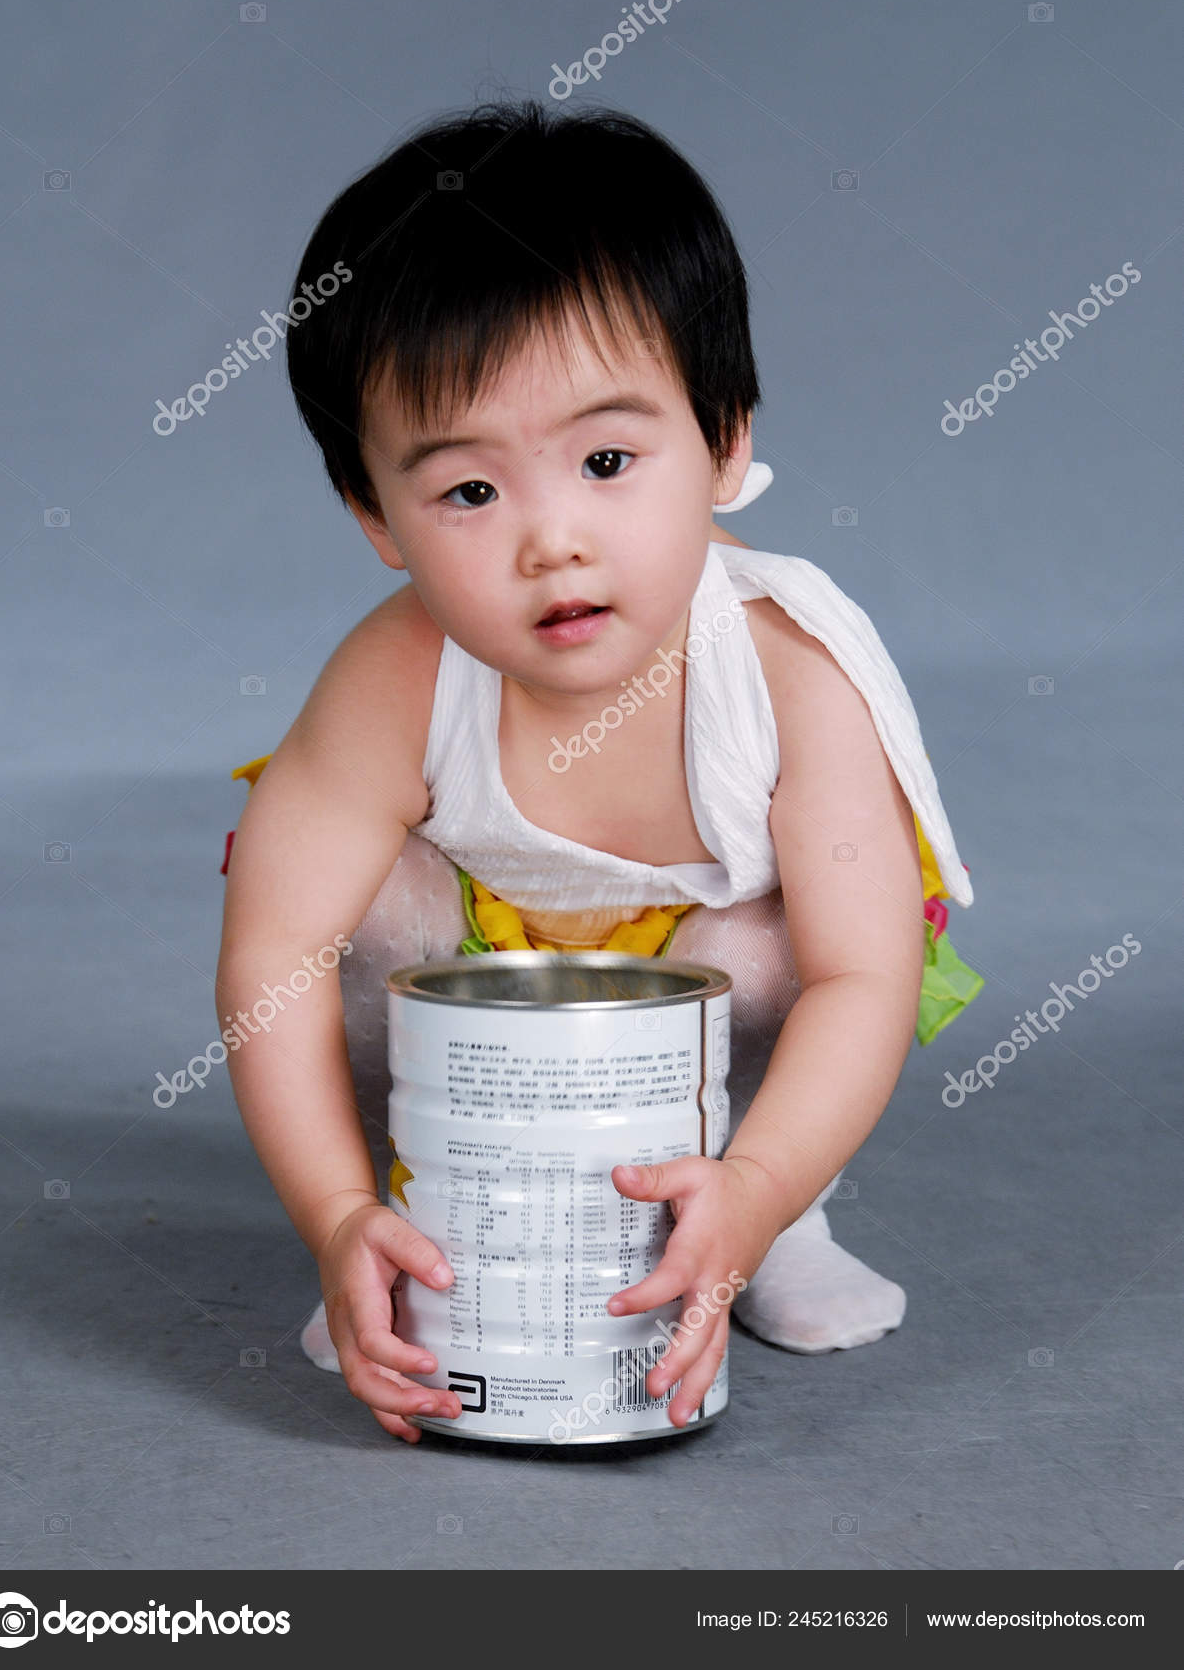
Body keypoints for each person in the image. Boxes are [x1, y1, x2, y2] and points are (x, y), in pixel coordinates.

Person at [216, 99, 982, 1445]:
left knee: (783, 949)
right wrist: (333, 1214)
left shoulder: (788, 674)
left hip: (715, 1006)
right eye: (468, 494)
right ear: (373, 515)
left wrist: (753, 1186)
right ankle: (416, 1226)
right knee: (354, 908)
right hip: (486, 999)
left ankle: (766, 1209)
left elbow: (866, 976)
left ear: (726, 441)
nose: (551, 543)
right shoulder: (392, 678)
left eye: (609, 461)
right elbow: (270, 961)